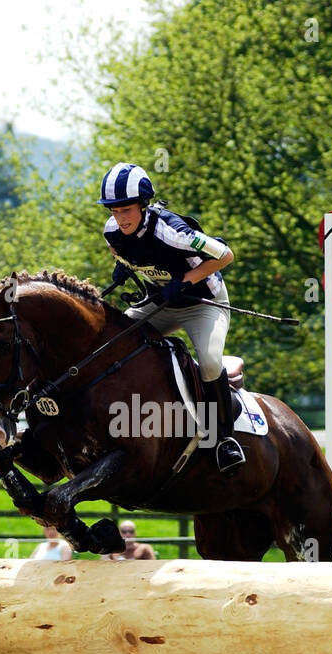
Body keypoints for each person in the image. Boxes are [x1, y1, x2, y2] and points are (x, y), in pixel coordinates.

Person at [99, 161, 245, 476]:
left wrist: (186, 281)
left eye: (127, 210)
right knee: (114, 340)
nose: (120, 218)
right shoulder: (112, 232)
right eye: (114, 211)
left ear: (142, 205)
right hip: (160, 304)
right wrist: (124, 264)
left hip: (203, 303)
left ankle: (224, 439)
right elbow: (118, 250)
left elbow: (225, 255)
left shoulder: (170, 230)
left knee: (207, 361)